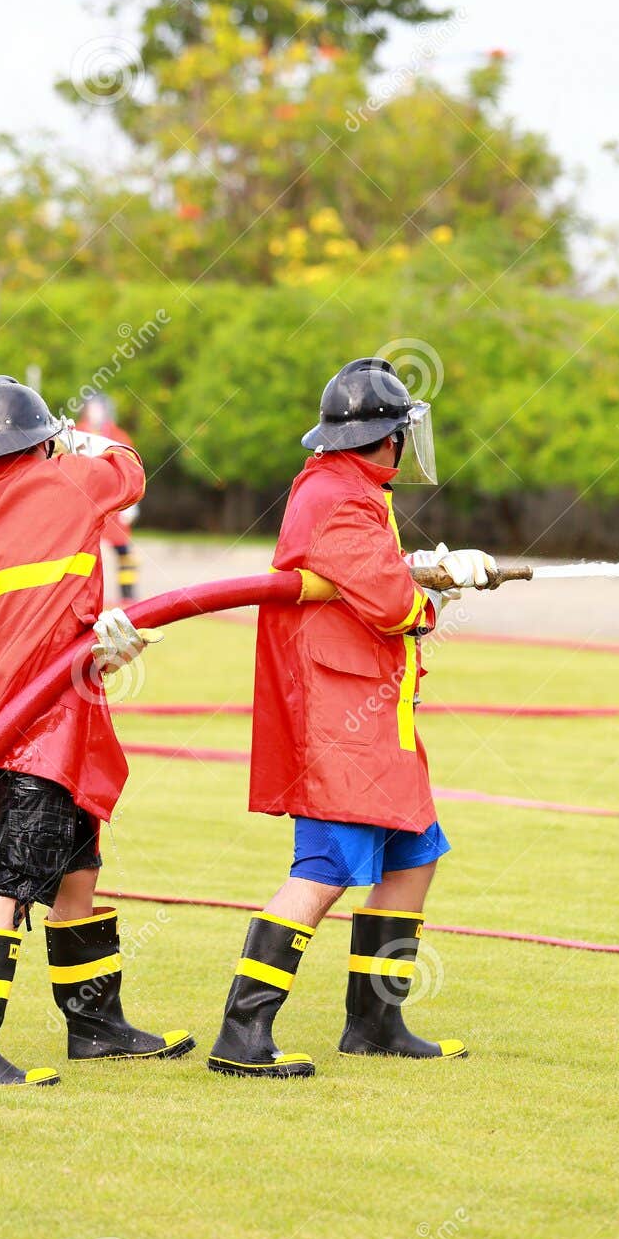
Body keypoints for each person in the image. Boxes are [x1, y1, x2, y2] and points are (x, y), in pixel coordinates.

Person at [208, 357, 496, 1079]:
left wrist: (428, 567)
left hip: (374, 714)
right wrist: (435, 592)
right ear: (390, 438)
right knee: (325, 869)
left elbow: (371, 574)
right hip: (341, 719)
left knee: (414, 858)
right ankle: (241, 1037)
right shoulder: (336, 497)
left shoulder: (350, 487)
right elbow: (390, 604)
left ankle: (374, 1024)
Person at [0, 374, 194, 1087]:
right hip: (40, 732)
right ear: (45, 442)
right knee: (11, 882)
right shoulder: (73, 479)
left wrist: (88, 648)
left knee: (77, 873)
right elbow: (131, 474)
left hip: (27, 719)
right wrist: (83, 440)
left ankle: (97, 1029)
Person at [79, 393, 141, 601]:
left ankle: (128, 596)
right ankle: (82, 596)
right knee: (80, 551)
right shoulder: (75, 434)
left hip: (114, 502)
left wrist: (132, 504)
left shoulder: (119, 436)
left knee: (123, 548)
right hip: (84, 503)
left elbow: (131, 467)